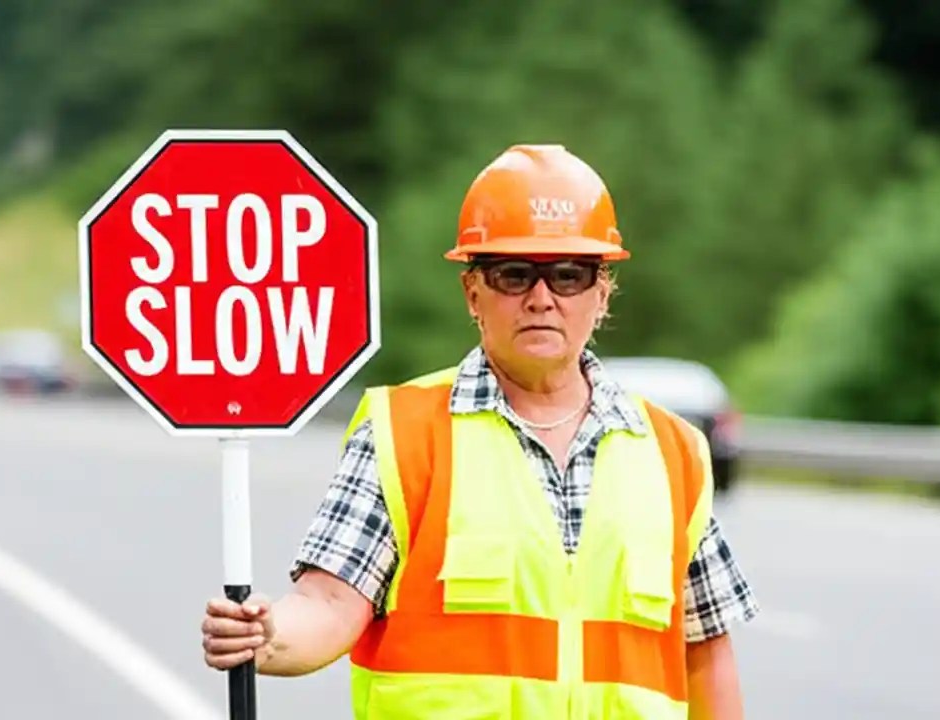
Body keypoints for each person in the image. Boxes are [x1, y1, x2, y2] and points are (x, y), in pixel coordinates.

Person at [202, 144, 759, 719]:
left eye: (568, 276)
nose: (542, 298)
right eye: (514, 275)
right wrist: (266, 635)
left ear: (601, 294)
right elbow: (330, 603)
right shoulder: (404, 432)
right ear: (474, 292)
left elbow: (706, 653)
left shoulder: (674, 454)